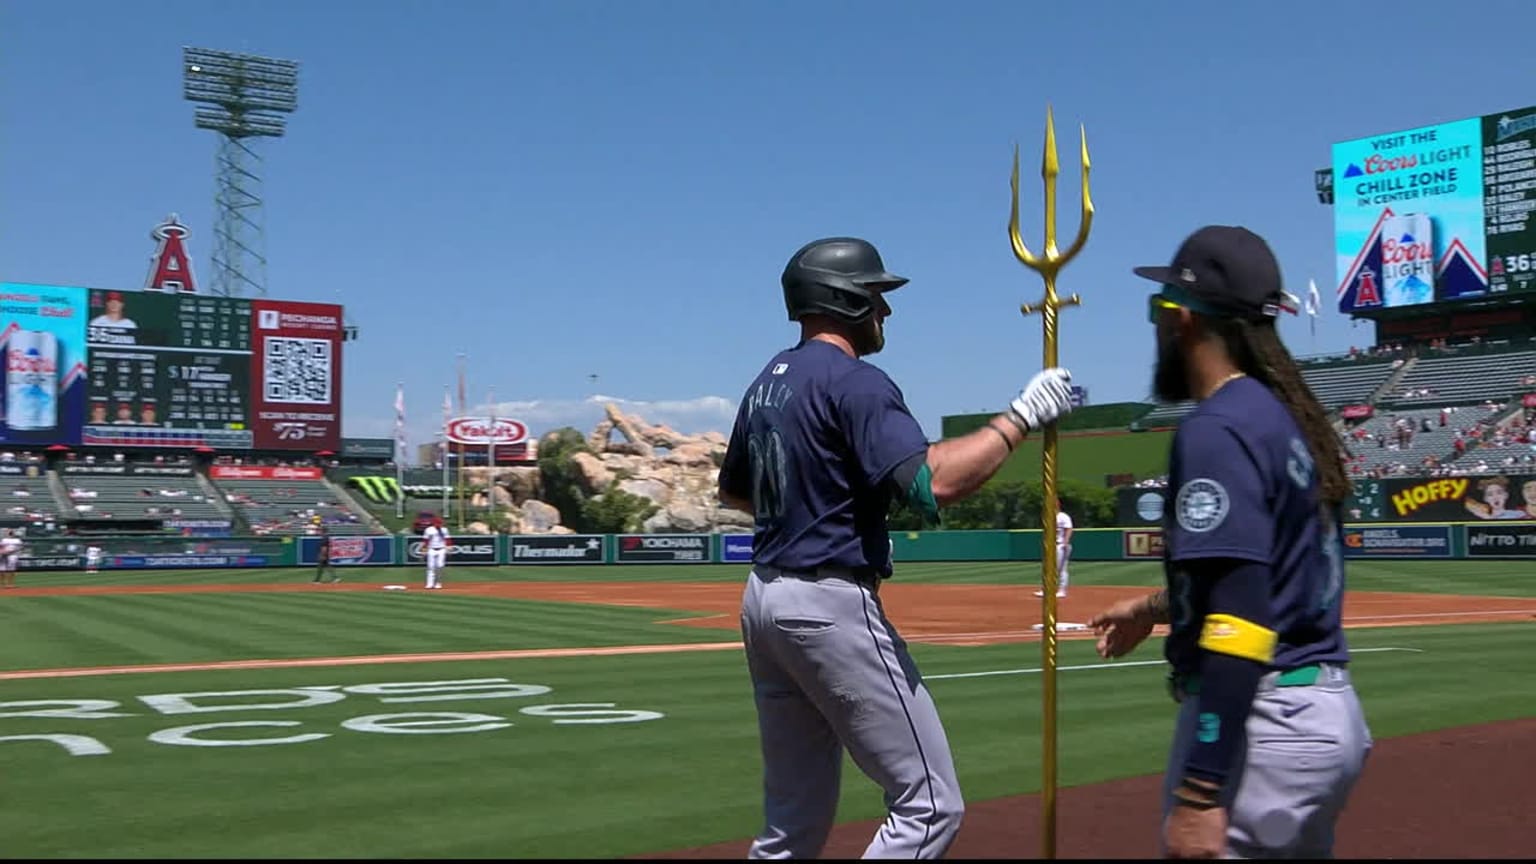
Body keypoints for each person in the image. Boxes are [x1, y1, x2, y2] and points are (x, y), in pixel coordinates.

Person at [718, 236, 1077, 859]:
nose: (886, 312)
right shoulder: (856, 382)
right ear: (846, 298)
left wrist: (820, 496)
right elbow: (932, 481)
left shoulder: (767, 381)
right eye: (877, 298)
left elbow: (736, 492)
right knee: (930, 804)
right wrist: (1021, 415)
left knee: (791, 824)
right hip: (828, 603)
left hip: (763, 600)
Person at [1088, 225, 1373, 858]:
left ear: (1183, 319)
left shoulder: (1218, 428)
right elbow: (1271, 574)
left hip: (1264, 728)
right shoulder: (1283, 418)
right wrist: (1151, 608)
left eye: (1157, 308)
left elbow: (1241, 615)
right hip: (1321, 712)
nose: (1155, 323)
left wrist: (1201, 787)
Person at [1037, 497, 1074, 599]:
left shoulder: (1063, 516)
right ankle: (1046, 590)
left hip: (1061, 545)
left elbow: (1069, 529)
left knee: (1060, 569)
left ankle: (1062, 591)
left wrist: (1066, 542)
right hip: (1051, 545)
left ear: (1057, 505)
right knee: (1048, 568)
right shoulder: (1048, 516)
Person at [423, 515, 450, 590]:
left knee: (440, 566)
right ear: (433, 523)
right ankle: (429, 584)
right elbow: (426, 541)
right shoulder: (429, 530)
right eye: (437, 523)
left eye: (440, 523)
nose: (438, 525)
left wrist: (449, 547)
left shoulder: (444, 530)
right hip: (431, 549)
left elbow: (448, 539)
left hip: (441, 549)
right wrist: (424, 550)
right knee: (431, 567)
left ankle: (438, 583)